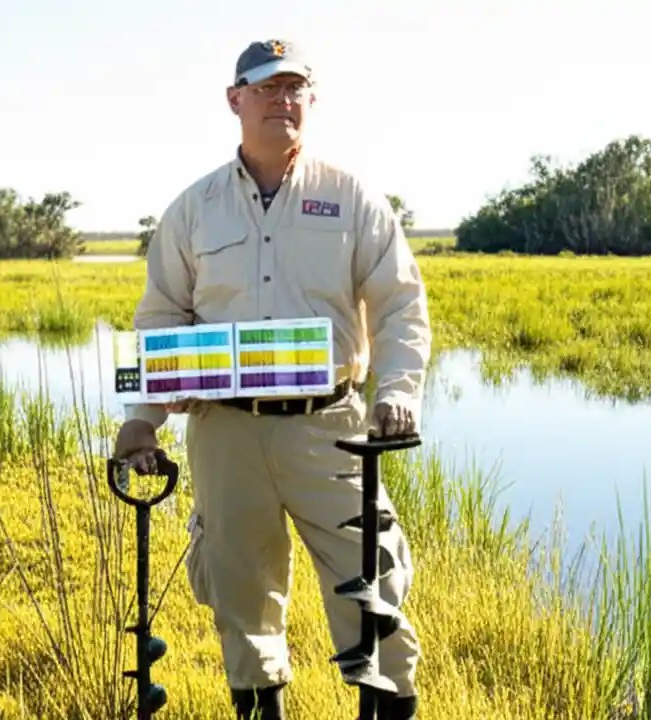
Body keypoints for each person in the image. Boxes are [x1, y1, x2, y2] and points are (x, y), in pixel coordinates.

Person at [111, 37, 431, 720]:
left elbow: (401, 304)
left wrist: (398, 393)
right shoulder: (193, 210)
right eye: (266, 88)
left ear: (309, 101)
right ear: (235, 100)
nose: (282, 101)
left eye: (295, 89)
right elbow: (161, 318)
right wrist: (143, 419)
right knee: (241, 596)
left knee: (371, 586)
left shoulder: (352, 199)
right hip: (227, 433)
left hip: (333, 430)